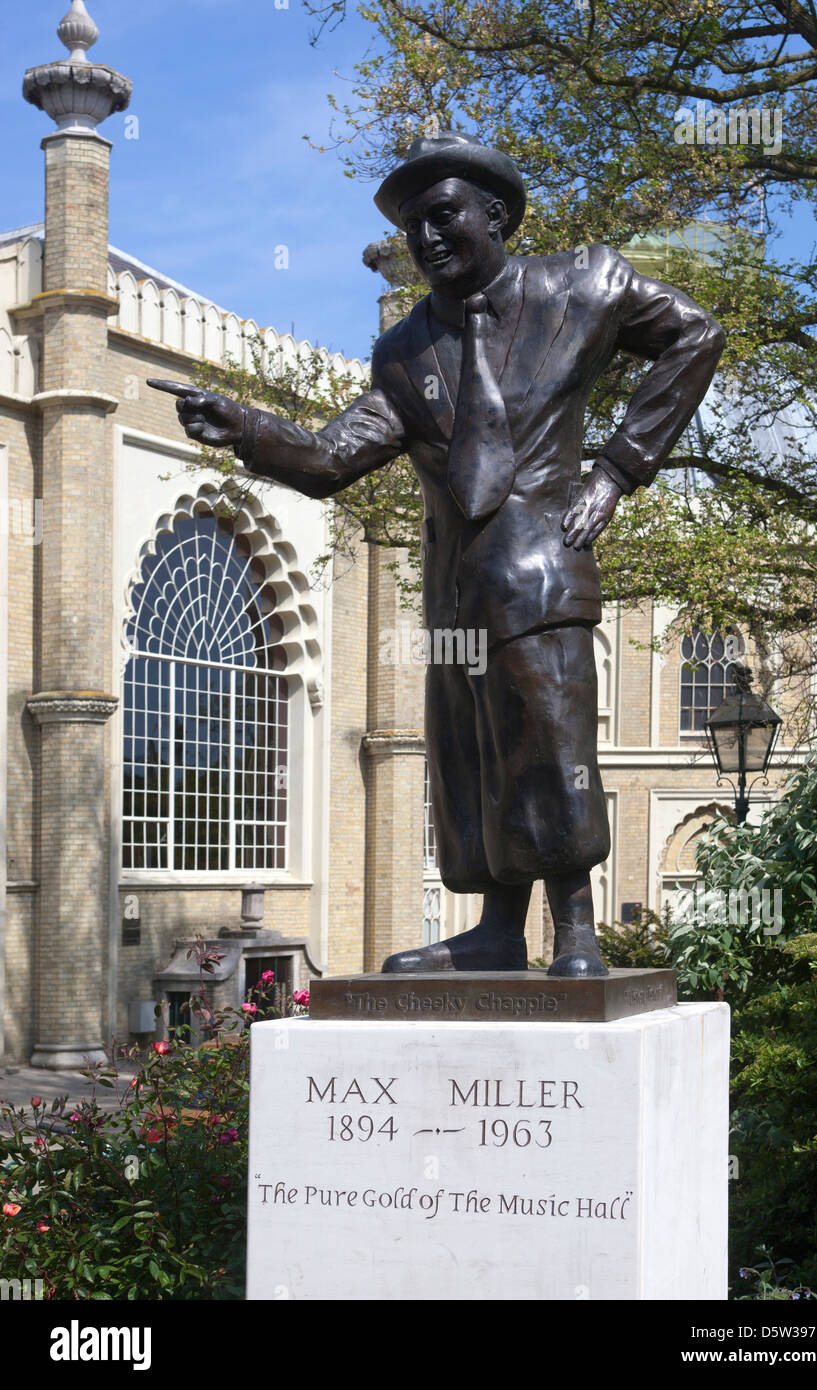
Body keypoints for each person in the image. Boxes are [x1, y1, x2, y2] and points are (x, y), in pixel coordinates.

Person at [150, 131, 725, 978]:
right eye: (413, 227)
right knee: (472, 759)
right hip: (457, 596)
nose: (427, 239)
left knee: (548, 743)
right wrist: (246, 428)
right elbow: (330, 458)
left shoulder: (582, 285)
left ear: (495, 214)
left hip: (543, 571)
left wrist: (617, 471)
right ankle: (495, 931)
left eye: (441, 216)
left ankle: (574, 934)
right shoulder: (405, 351)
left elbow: (695, 337)